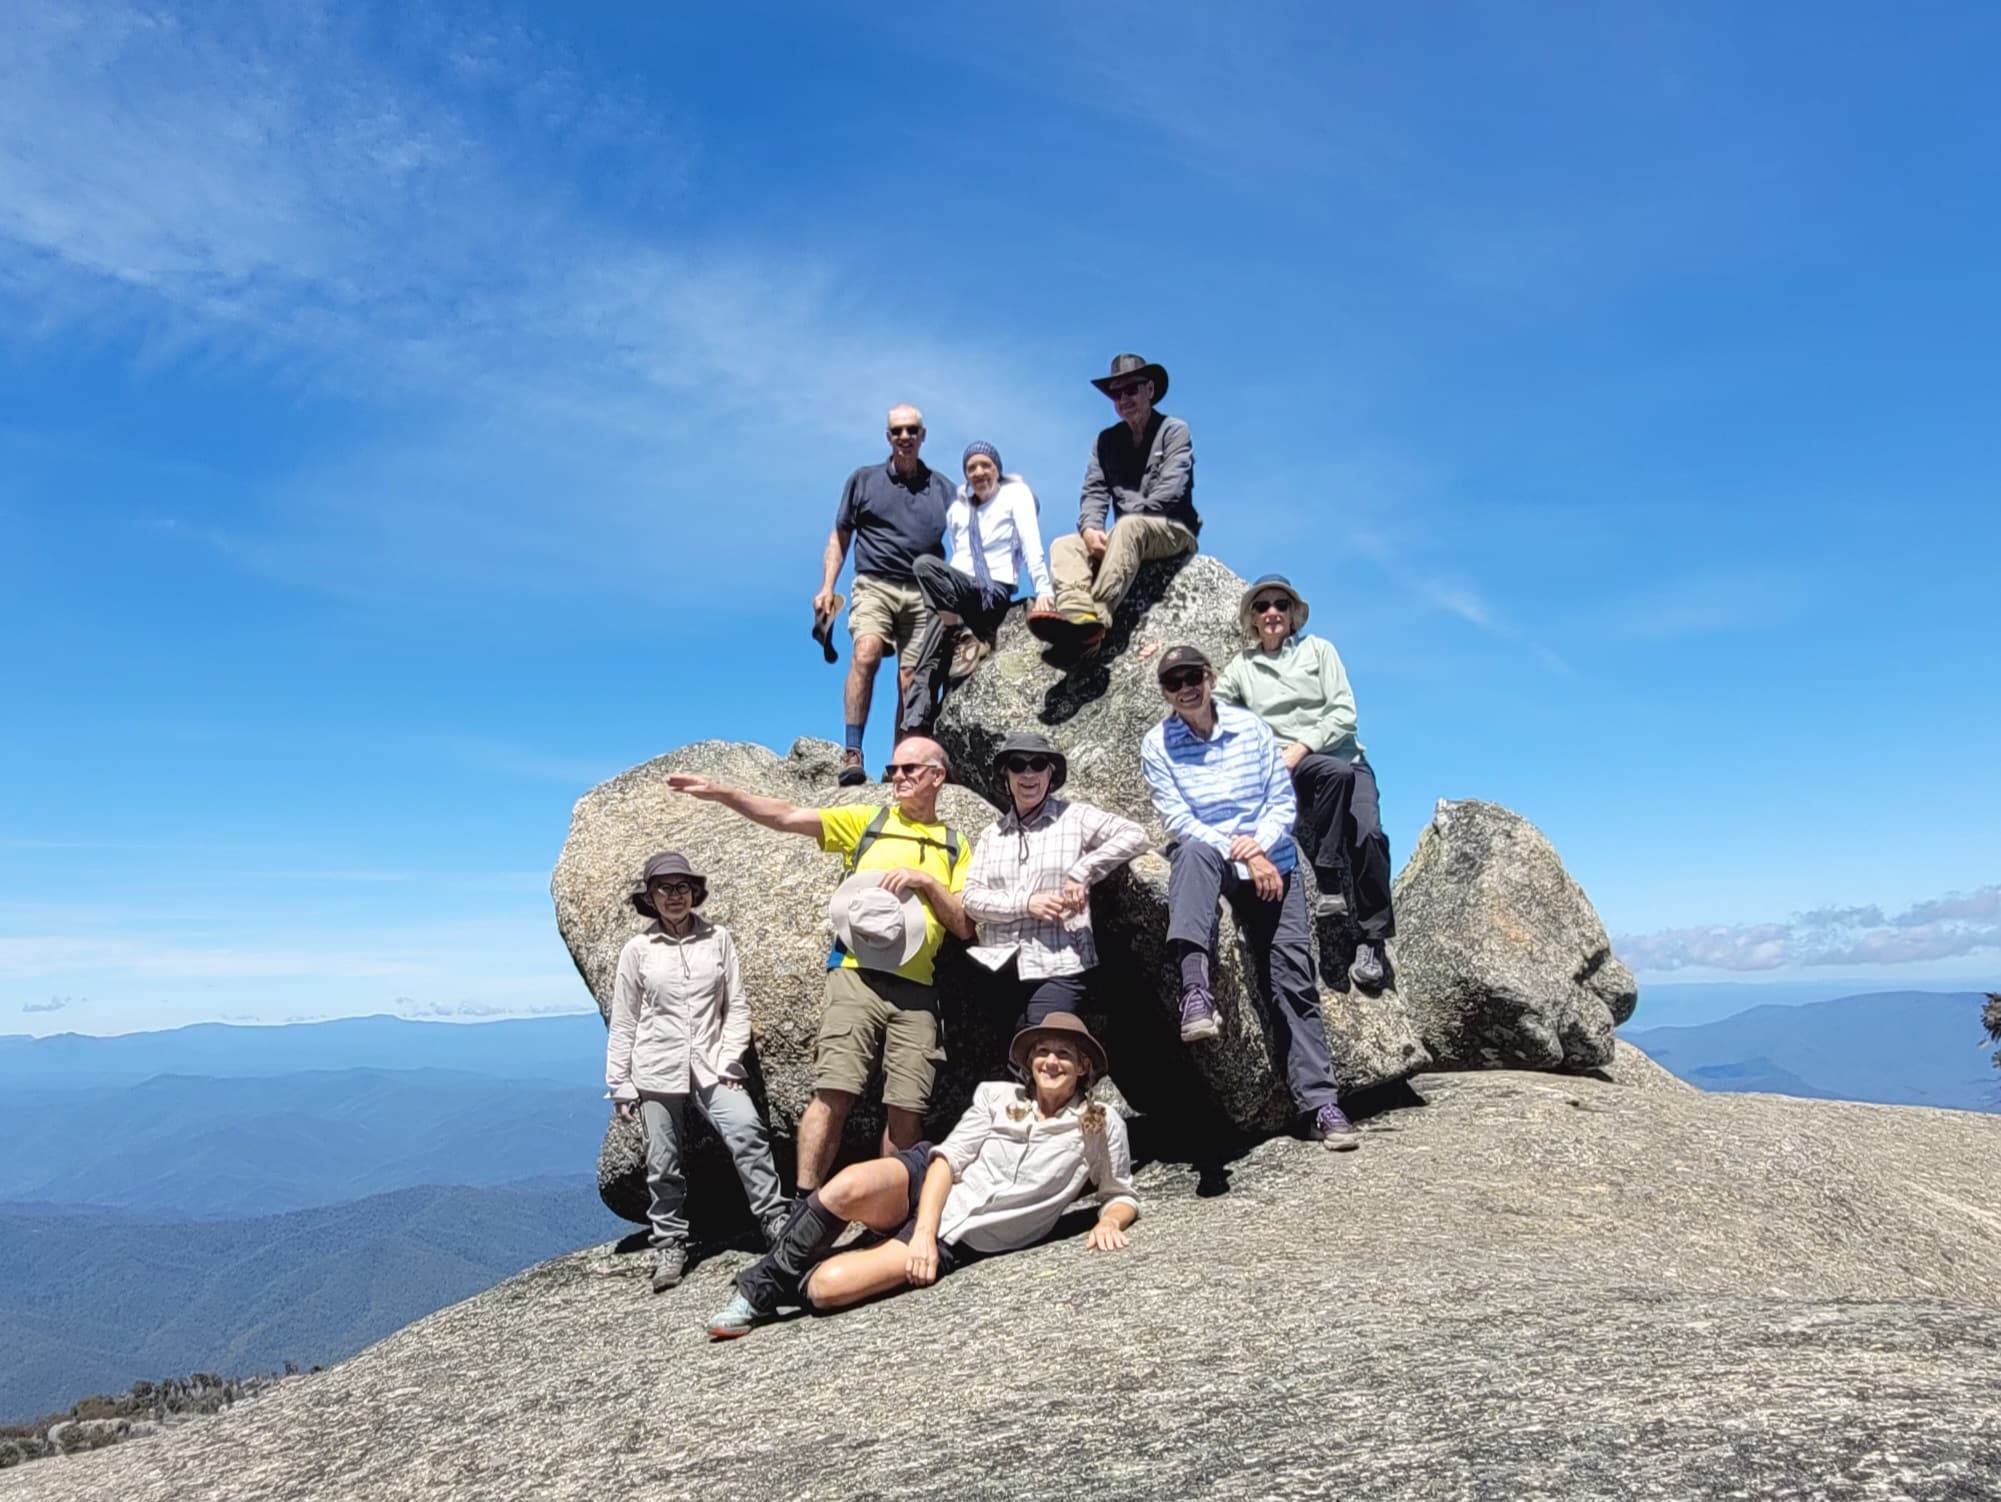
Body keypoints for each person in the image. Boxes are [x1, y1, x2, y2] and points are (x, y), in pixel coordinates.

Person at [704, 1012, 1138, 1339]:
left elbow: (1120, 1193)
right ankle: (759, 1288)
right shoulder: (997, 1096)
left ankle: (797, 1261)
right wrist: (923, 1235)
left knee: (825, 1290)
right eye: (1043, 1051)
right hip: (928, 1182)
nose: (1050, 1061)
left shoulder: (1098, 1124)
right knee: (847, 1186)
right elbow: (947, 1160)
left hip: (962, 1235)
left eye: (1064, 1054)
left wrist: (1109, 1221)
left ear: (1083, 1067)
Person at [664, 736, 973, 1193]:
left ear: (937, 776)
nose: (898, 778)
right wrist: (722, 791)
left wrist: (925, 881)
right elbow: (788, 817)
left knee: (908, 1109)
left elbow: (964, 925)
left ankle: (886, 1211)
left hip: (918, 987)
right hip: (855, 975)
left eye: (909, 770)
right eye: (893, 770)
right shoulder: (869, 821)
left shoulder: (954, 845)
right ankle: (805, 1206)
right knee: (834, 1091)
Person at [1139, 645, 1361, 1150]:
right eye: (1174, 682)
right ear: (1165, 693)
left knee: (1293, 979)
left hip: (1273, 863)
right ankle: (1195, 992)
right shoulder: (1158, 744)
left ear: (1210, 677)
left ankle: (1321, 1104)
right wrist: (1240, 853)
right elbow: (1176, 818)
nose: (1186, 688)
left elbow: (1282, 801)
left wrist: (1258, 847)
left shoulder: (1252, 730)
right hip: (1216, 856)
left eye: (1192, 676)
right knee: (1190, 852)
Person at [605, 852, 791, 1292]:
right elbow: (625, 1018)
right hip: (655, 1068)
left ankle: (774, 1220)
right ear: (649, 897)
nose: (674, 896)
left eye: (682, 887)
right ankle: (670, 1242)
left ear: (695, 892)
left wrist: (730, 1060)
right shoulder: (638, 951)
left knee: (746, 1130)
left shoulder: (718, 939)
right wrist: (620, 1082)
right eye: (664, 889)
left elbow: (736, 1004)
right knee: (662, 1159)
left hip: (711, 1064)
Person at [1214, 574, 1396, 990]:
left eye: (1281, 604)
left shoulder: (1320, 651)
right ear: (1253, 619)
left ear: (1293, 614)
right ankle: (1329, 883)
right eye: (1262, 607)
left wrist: (1302, 745)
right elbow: (1217, 709)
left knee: (1369, 835)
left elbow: (1343, 712)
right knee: (1328, 781)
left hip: (1341, 756)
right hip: (1286, 772)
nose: (1272, 612)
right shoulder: (1243, 666)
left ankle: (1373, 941)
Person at [960, 732, 1150, 1029]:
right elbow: (971, 899)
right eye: (1017, 765)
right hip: (998, 966)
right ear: (1005, 774)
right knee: (1013, 1059)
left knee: (1041, 1045)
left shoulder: (1075, 818)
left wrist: (1083, 871)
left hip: (1061, 964)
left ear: (1050, 773)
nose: (1028, 774)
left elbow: (1136, 836)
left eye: (1037, 764)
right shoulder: (990, 835)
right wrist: (1026, 904)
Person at [814, 405, 957, 785]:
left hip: (924, 591)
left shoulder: (943, 489)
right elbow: (840, 535)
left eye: (912, 430)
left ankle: (899, 762)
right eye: (897, 431)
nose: (905, 437)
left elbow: (970, 538)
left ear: (923, 435)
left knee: (912, 678)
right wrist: (827, 585)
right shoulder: (863, 481)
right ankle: (852, 751)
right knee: (867, 652)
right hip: (874, 582)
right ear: (888, 437)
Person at [1030, 353, 1200, 661]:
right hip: (1126, 537)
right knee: (1065, 545)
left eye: (1131, 389)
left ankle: (1096, 620)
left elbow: (1172, 490)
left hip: (1171, 530)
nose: (1124, 398)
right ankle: (1075, 612)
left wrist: (1122, 530)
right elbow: (1094, 491)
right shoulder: (1105, 441)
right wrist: (1091, 529)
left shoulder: (1174, 430)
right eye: (1116, 393)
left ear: (1150, 389)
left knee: (1128, 526)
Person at [896, 441, 1054, 735]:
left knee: (924, 566)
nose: (979, 472)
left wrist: (1044, 590)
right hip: (958, 594)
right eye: (971, 468)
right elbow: (959, 556)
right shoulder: (959, 510)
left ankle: (962, 632)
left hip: (991, 589)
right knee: (931, 642)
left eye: (986, 466)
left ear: (997, 469)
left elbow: (1031, 543)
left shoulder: (1015, 495)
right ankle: (917, 728)